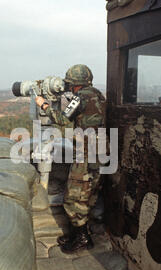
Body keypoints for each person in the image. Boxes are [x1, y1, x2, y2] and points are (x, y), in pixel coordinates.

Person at [35, 64, 107, 254]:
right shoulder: (99, 94)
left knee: (73, 198)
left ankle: (83, 238)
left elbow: (61, 118)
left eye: (70, 85)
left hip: (86, 153)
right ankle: (80, 234)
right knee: (89, 194)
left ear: (76, 84)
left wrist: (42, 104)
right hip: (101, 151)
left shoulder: (80, 96)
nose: (68, 88)